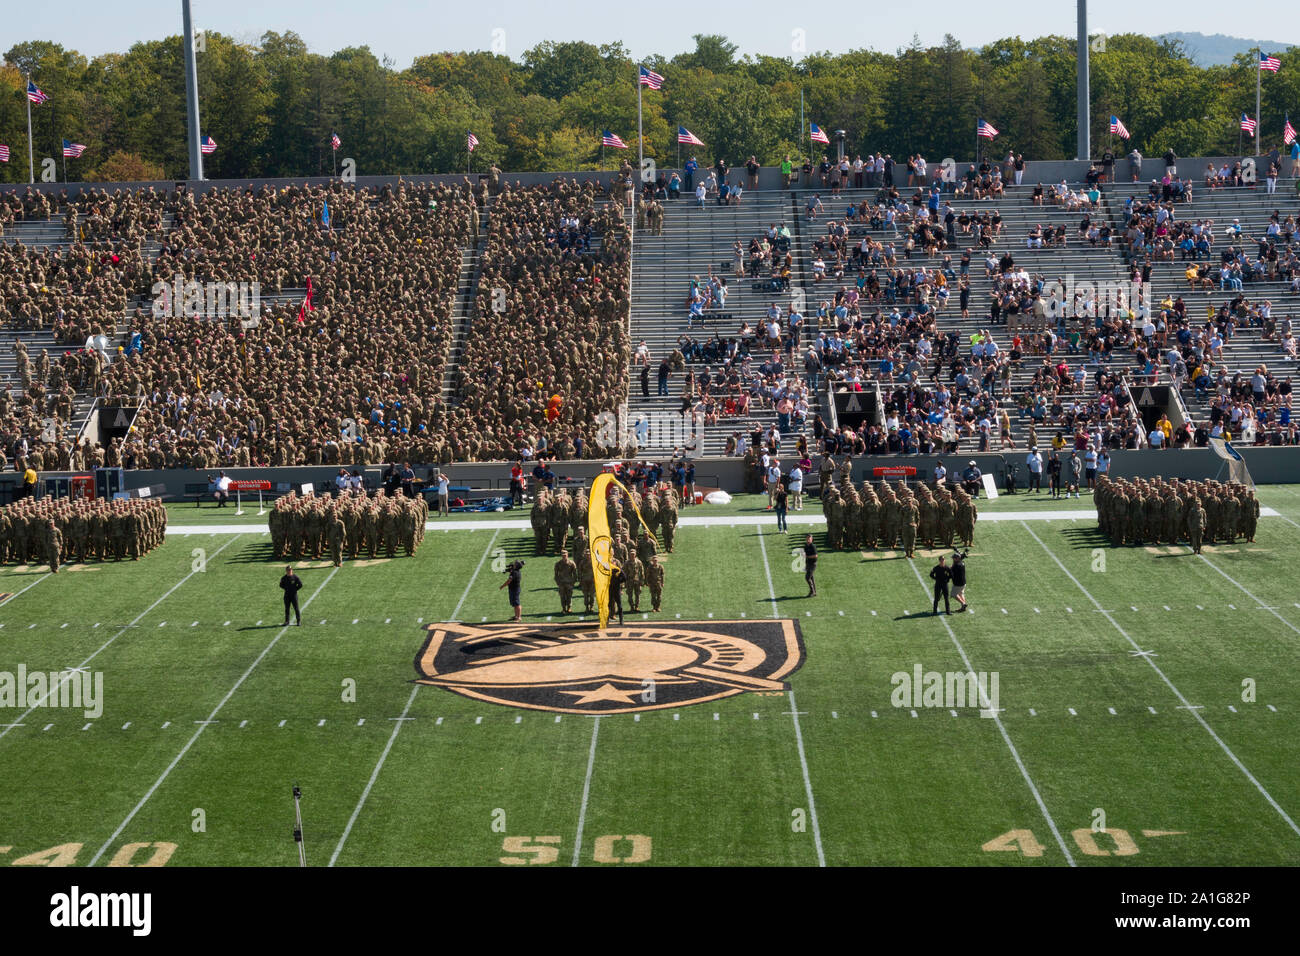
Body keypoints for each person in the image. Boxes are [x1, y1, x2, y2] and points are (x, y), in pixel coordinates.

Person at [609, 561, 626, 625]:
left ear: (615, 564)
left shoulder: (618, 570)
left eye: (613, 563)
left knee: (619, 605)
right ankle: (607, 619)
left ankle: (621, 620)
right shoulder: (607, 570)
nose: (612, 564)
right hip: (609, 589)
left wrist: (619, 581)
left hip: (616, 589)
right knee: (609, 605)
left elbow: (624, 578)